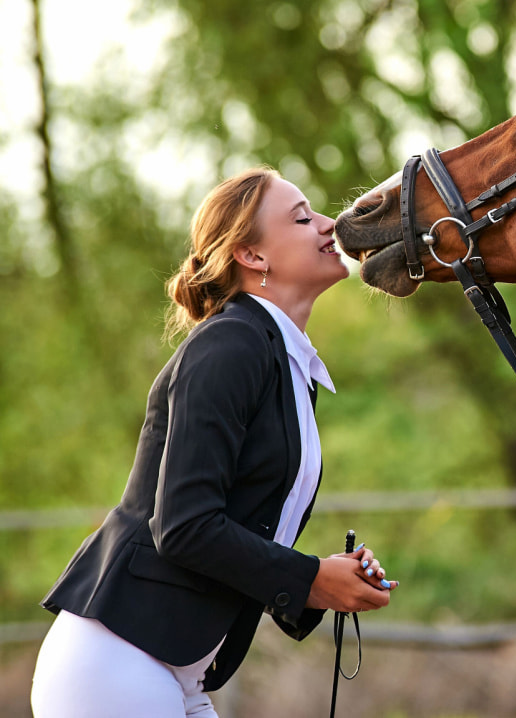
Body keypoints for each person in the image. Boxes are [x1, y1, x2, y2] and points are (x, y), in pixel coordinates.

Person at [30, 167, 393, 717]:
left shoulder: (279, 359)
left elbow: (240, 530)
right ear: (252, 256)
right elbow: (184, 526)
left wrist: (322, 583)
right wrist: (311, 579)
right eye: (303, 217)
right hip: (118, 664)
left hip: (174, 673)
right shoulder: (230, 345)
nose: (329, 224)